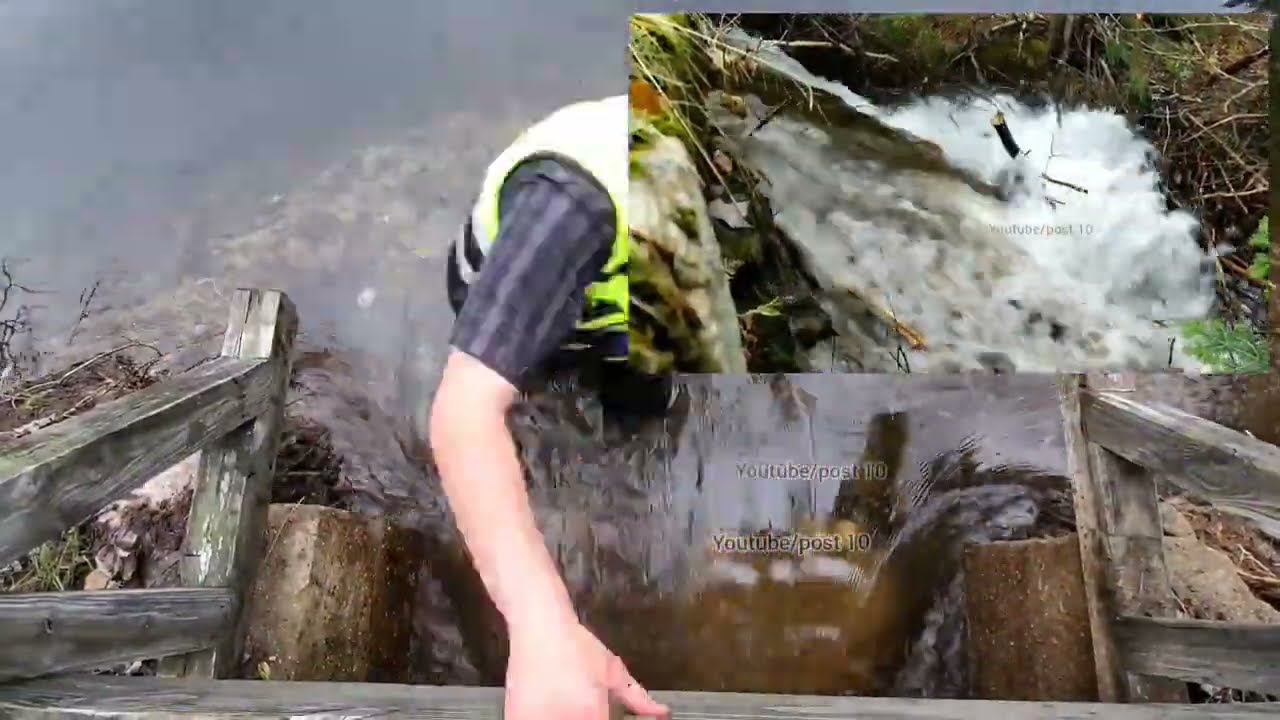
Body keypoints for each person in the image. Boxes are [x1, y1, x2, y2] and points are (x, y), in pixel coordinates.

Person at [428, 95, 672, 720]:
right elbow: (461, 414)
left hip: (619, 300)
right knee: (520, 394)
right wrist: (543, 627)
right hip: (529, 291)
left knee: (643, 397)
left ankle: (624, 415)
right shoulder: (574, 203)